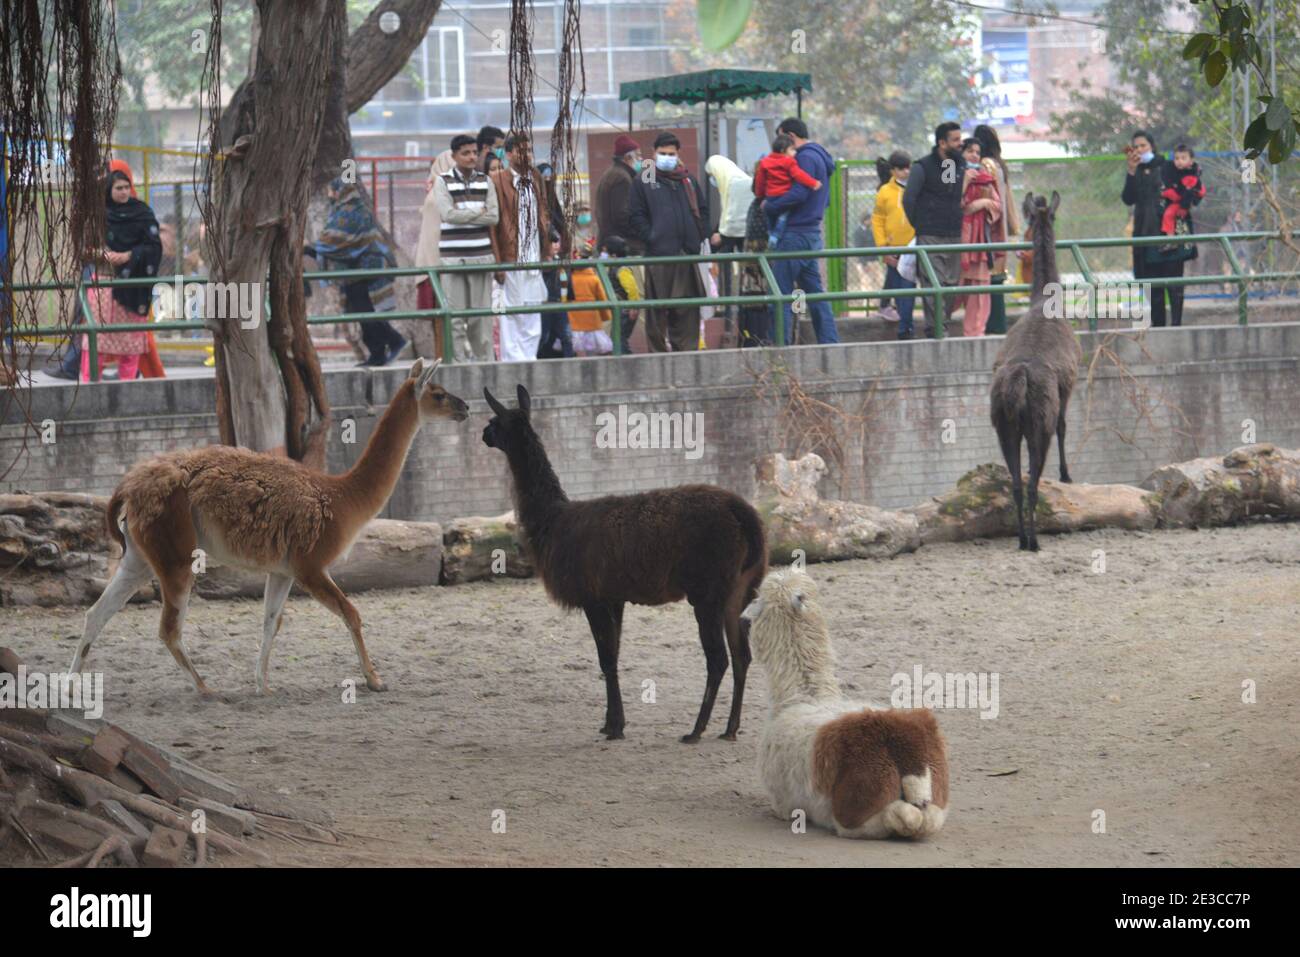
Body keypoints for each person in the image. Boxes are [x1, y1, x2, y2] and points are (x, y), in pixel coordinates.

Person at [311, 177, 407, 366]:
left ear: (339, 191)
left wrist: (312, 248)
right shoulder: (344, 210)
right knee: (364, 311)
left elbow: (336, 239)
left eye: (332, 190)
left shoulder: (351, 212)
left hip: (367, 269)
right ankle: (383, 348)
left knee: (366, 311)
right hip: (357, 270)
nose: (330, 194)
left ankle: (387, 345)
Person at [627, 131, 709, 352]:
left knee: (687, 311)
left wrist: (698, 235)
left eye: (671, 153)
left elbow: (702, 210)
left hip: (686, 254)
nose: (667, 157)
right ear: (654, 154)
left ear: (677, 154)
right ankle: (658, 356)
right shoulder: (647, 177)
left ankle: (686, 355)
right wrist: (652, 236)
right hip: (659, 255)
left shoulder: (687, 179)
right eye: (662, 153)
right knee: (657, 312)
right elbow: (636, 214)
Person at [760, 117, 837, 345]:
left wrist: (770, 205)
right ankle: (829, 343)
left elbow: (798, 193)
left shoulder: (803, 158)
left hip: (794, 233)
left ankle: (780, 350)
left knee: (781, 293)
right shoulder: (820, 157)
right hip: (811, 233)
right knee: (814, 293)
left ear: (790, 136)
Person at [81, 170, 162, 382]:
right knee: (96, 339)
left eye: (127, 187)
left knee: (131, 343)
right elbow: (84, 248)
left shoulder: (142, 213)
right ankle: (92, 386)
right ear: (110, 190)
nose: (124, 192)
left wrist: (129, 255)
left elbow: (153, 246)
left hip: (133, 288)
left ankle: (128, 385)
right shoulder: (99, 216)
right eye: (119, 188)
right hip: (105, 285)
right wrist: (105, 255)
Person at [432, 133, 499, 362]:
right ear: (454, 156)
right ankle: (458, 363)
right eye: (465, 153)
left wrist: (465, 215)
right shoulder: (442, 181)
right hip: (453, 259)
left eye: (474, 152)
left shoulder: (485, 180)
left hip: (482, 256)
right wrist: (477, 213)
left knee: (481, 317)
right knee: (456, 316)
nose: (471, 157)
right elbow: (448, 214)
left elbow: (493, 217)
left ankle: (485, 363)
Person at [488, 133, 552, 362]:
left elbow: (543, 215)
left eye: (529, 150)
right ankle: (513, 364)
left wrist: (546, 253)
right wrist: (498, 263)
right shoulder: (496, 180)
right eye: (520, 150)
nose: (526, 155)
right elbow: (493, 227)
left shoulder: (535, 177)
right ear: (508, 154)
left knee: (533, 311)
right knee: (511, 314)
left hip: (533, 254)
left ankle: (529, 361)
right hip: (510, 256)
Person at [902, 121, 965, 337]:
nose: (960, 143)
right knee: (933, 283)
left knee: (950, 284)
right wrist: (920, 225)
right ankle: (936, 329)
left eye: (960, 138)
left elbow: (948, 194)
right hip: (930, 235)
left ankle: (942, 322)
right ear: (941, 143)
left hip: (954, 235)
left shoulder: (954, 165)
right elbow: (909, 199)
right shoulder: (922, 167)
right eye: (955, 140)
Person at [1122, 130, 1185, 327]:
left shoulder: (1166, 167)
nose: (1140, 150)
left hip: (1167, 234)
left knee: (1174, 285)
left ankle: (1176, 326)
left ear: (1152, 146)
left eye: (1143, 145)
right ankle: (1158, 327)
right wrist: (1131, 171)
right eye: (1136, 146)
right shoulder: (1137, 171)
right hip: (1144, 234)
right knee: (1152, 285)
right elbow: (1128, 199)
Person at [594, 135, 645, 345]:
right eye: (639, 156)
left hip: (612, 246)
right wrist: (643, 232)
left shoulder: (611, 175)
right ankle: (617, 344)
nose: (642, 160)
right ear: (628, 157)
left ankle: (617, 343)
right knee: (630, 300)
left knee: (619, 301)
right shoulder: (622, 179)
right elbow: (622, 216)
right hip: (622, 250)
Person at [972, 124, 1019, 334]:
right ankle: (996, 327)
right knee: (997, 278)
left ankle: (992, 327)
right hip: (1002, 232)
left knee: (988, 280)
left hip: (989, 231)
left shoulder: (984, 165)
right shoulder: (1000, 165)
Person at [704, 154, 752, 336]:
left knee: (738, 289)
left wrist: (720, 235)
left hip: (739, 244)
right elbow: (728, 215)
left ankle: (736, 327)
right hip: (744, 243)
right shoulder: (733, 182)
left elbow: (731, 221)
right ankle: (739, 327)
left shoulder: (734, 184)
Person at [957, 138, 1001, 337]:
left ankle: (975, 333)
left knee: (979, 292)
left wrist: (983, 203)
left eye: (977, 151)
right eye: (969, 151)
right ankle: (940, 329)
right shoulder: (950, 173)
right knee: (952, 289)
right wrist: (964, 181)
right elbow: (947, 202)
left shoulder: (986, 178)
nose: (974, 155)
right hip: (957, 242)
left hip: (980, 244)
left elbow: (996, 205)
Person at [872, 151, 916, 338]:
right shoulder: (885, 192)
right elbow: (878, 219)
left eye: (908, 168)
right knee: (901, 289)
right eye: (901, 169)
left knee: (906, 290)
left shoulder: (917, 187)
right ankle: (903, 327)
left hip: (914, 247)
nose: (906, 172)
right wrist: (883, 247)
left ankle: (906, 327)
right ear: (893, 171)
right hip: (893, 248)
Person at [753, 133, 822, 248]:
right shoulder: (789, 162)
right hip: (784, 194)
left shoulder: (764, 162)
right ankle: (776, 236)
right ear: (783, 150)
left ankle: (770, 233)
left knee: (770, 215)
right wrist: (813, 183)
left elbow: (760, 181)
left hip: (771, 195)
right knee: (783, 217)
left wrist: (760, 195)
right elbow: (799, 175)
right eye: (792, 150)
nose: (795, 153)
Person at [535, 162, 574, 359]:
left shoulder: (553, 203)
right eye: (545, 178)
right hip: (544, 275)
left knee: (564, 332)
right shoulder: (536, 204)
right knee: (544, 331)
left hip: (558, 275)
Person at [567, 238, 614, 356]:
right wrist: (606, 315)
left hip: (573, 321)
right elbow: (601, 298)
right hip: (592, 321)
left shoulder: (569, 278)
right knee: (593, 350)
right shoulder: (594, 278)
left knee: (577, 349)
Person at [600, 234, 642, 352]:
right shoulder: (616, 266)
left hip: (625, 309)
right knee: (618, 337)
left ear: (613, 255)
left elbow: (632, 288)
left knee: (618, 337)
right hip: (622, 308)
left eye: (605, 252)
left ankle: (625, 361)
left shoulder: (622, 269)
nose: (603, 255)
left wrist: (634, 306)